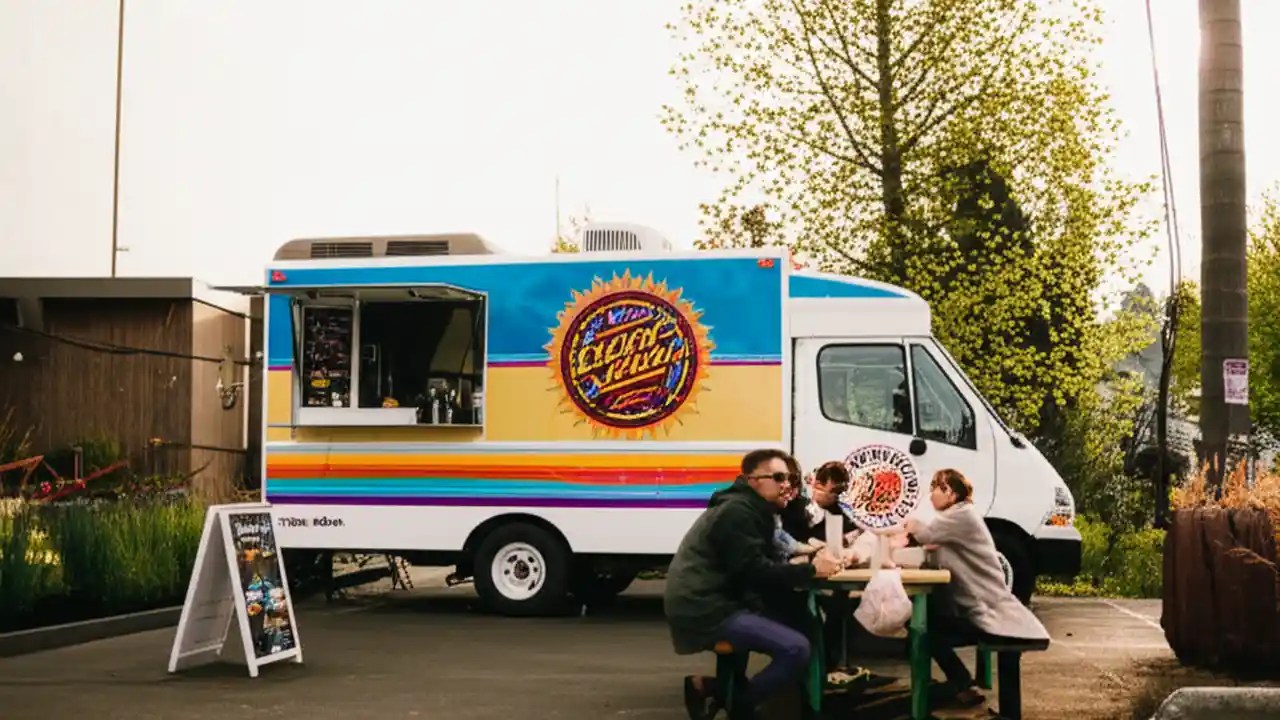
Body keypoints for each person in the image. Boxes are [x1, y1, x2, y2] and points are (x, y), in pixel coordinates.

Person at [665, 448, 842, 720]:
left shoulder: (752, 509)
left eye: (791, 479)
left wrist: (803, 565)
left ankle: (722, 689)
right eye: (779, 477)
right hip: (707, 609)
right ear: (752, 480)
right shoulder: (738, 512)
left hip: (724, 600)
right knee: (795, 647)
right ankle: (741, 706)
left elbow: (760, 564)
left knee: (804, 620)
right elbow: (754, 572)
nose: (787, 485)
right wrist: (810, 571)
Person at [904, 469, 1050, 706]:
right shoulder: (959, 515)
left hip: (986, 609)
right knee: (921, 621)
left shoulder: (959, 515)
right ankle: (961, 683)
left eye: (935, 489)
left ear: (950, 493)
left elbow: (927, 535)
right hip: (980, 604)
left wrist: (911, 525)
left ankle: (959, 685)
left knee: (922, 627)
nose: (930, 495)